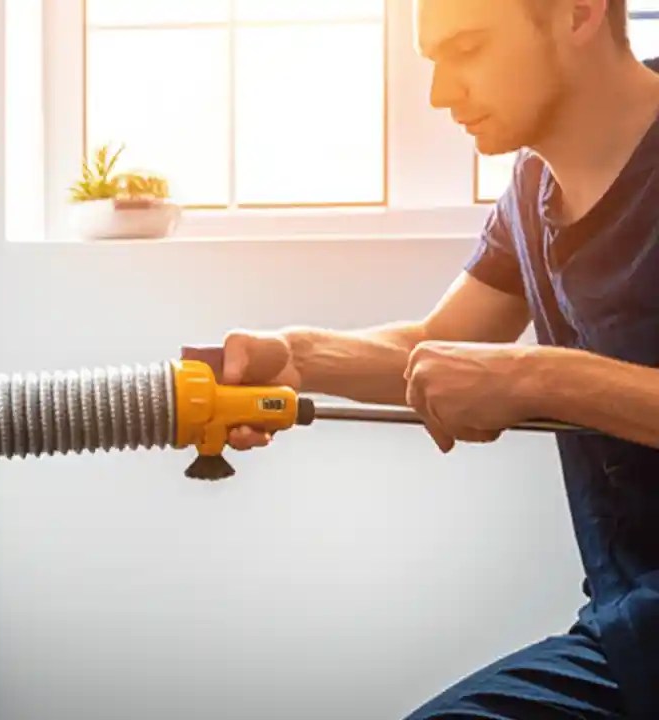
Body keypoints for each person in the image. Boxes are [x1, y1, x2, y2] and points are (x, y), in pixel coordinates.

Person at [185, 0, 659, 717]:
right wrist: (296, 356)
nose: (439, 94)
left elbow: (501, 368)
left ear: (581, 11)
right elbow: (435, 347)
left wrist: (536, 377)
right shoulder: (533, 194)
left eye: (467, 48)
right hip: (632, 635)